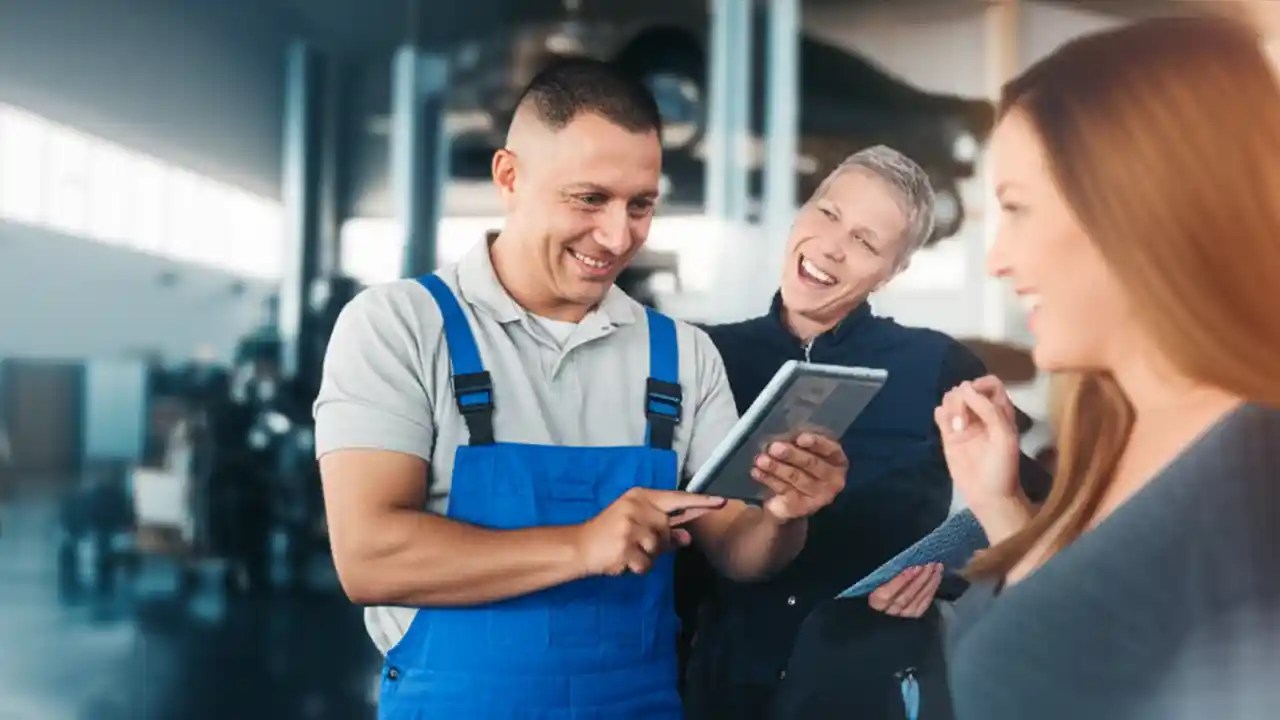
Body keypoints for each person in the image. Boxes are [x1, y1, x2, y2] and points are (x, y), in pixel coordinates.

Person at [312, 58, 849, 719]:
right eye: (589, 198)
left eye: (641, 205)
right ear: (509, 177)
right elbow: (368, 559)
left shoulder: (680, 355)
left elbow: (740, 551)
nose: (618, 236)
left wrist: (783, 514)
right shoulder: (400, 326)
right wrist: (581, 544)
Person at [940, 16, 1280, 720]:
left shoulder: (1256, 487)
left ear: (1135, 204)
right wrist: (1002, 509)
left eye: (1017, 210)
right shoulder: (1115, 428)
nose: (998, 259)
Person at [680, 146, 1051, 720]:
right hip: (727, 685)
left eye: (866, 242)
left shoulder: (938, 367)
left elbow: (1039, 511)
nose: (832, 246)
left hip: (875, 684)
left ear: (894, 270)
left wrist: (951, 581)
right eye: (827, 214)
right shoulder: (704, 355)